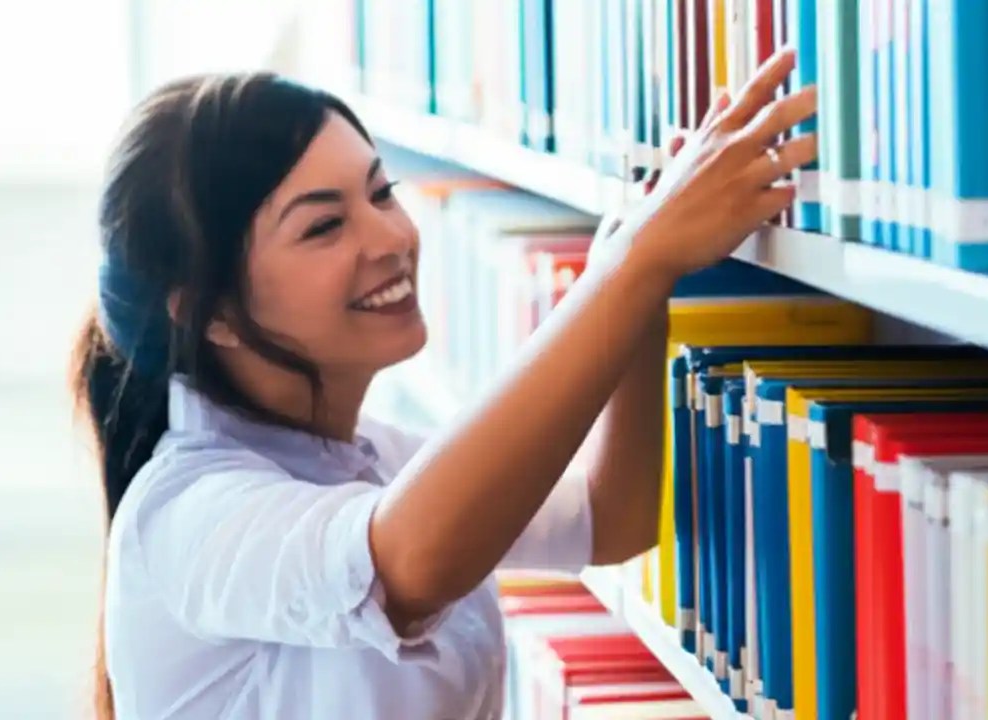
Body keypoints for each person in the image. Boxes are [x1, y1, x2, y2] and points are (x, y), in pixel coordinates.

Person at [72, 49, 817, 720]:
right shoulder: (184, 514)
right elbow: (407, 564)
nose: (392, 238)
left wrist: (639, 279)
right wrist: (635, 266)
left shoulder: (371, 457)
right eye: (324, 227)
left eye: (382, 192)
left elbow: (610, 517)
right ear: (212, 315)